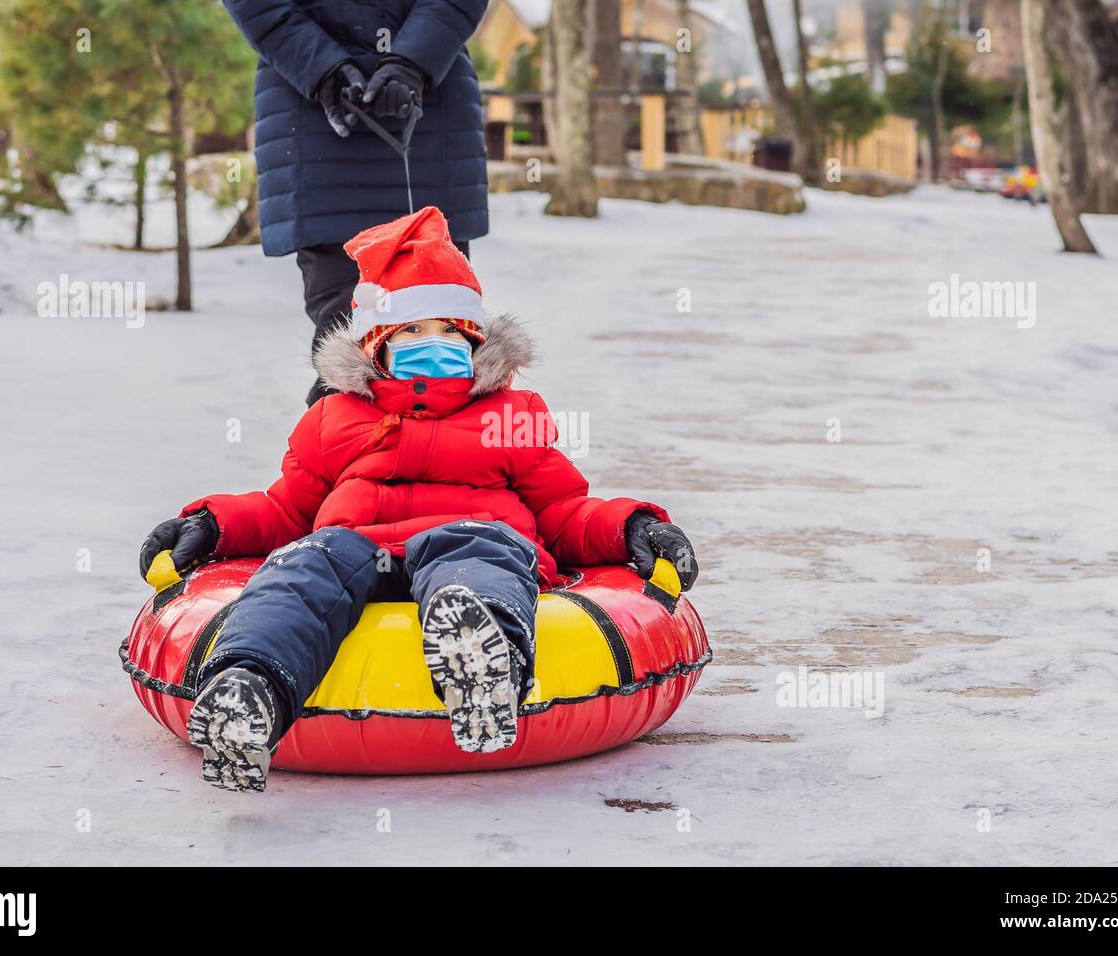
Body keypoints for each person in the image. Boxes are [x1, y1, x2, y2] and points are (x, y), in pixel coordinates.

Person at [139, 207, 699, 792]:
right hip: (358, 552)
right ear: (376, 346)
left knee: (483, 546)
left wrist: (631, 527)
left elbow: (561, 510)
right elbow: (287, 511)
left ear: (474, 341)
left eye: (449, 331)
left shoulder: (510, 416)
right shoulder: (336, 418)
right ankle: (249, 689)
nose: (433, 343)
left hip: (468, 546)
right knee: (305, 563)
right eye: (411, 330)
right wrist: (212, 525)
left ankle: (482, 664)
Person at [221, 0, 490, 406]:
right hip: (316, 123)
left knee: (443, 335)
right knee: (349, 343)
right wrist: (323, 69)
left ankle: (449, 466)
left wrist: (413, 61)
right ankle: (346, 464)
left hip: (428, 119)